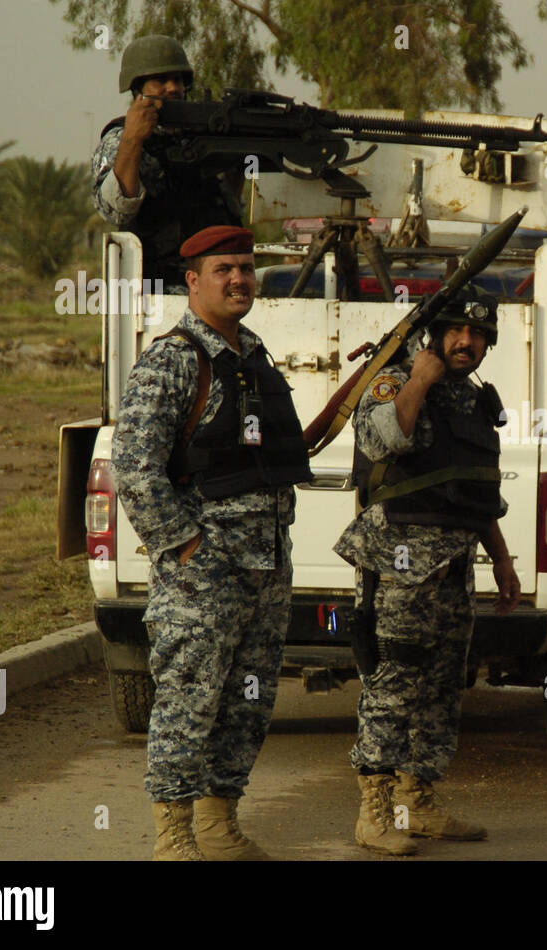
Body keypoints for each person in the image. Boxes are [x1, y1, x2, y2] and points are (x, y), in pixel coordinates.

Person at [112, 224, 312, 860]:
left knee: (246, 703)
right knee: (187, 704)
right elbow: (134, 468)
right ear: (192, 280)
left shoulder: (252, 354)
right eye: (223, 269)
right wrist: (186, 548)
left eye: (247, 268)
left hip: (266, 567)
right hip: (205, 572)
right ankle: (173, 836)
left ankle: (219, 825)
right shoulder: (170, 361)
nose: (239, 279)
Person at [336, 285, 521, 856]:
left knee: (441, 691)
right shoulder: (394, 380)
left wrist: (504, 559)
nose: (467, 343)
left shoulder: (471, 399)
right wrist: (419, 376)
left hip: (454, 568)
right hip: (400, 571)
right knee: (391, 690)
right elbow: (383, 436)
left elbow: (473, 488)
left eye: (479, 335)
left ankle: (417, 802)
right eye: (457, 332)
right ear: (434, 335)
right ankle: (373, 812)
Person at [91, 34, 243, 290]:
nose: (173, 88)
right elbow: (115, 209)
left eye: (178, 80)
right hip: (153, 291)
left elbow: (227, 210)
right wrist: (133, 139)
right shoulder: (118, 140)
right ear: (137, 89)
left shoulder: (199, 139)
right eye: (161, 80)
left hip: (213, 287)